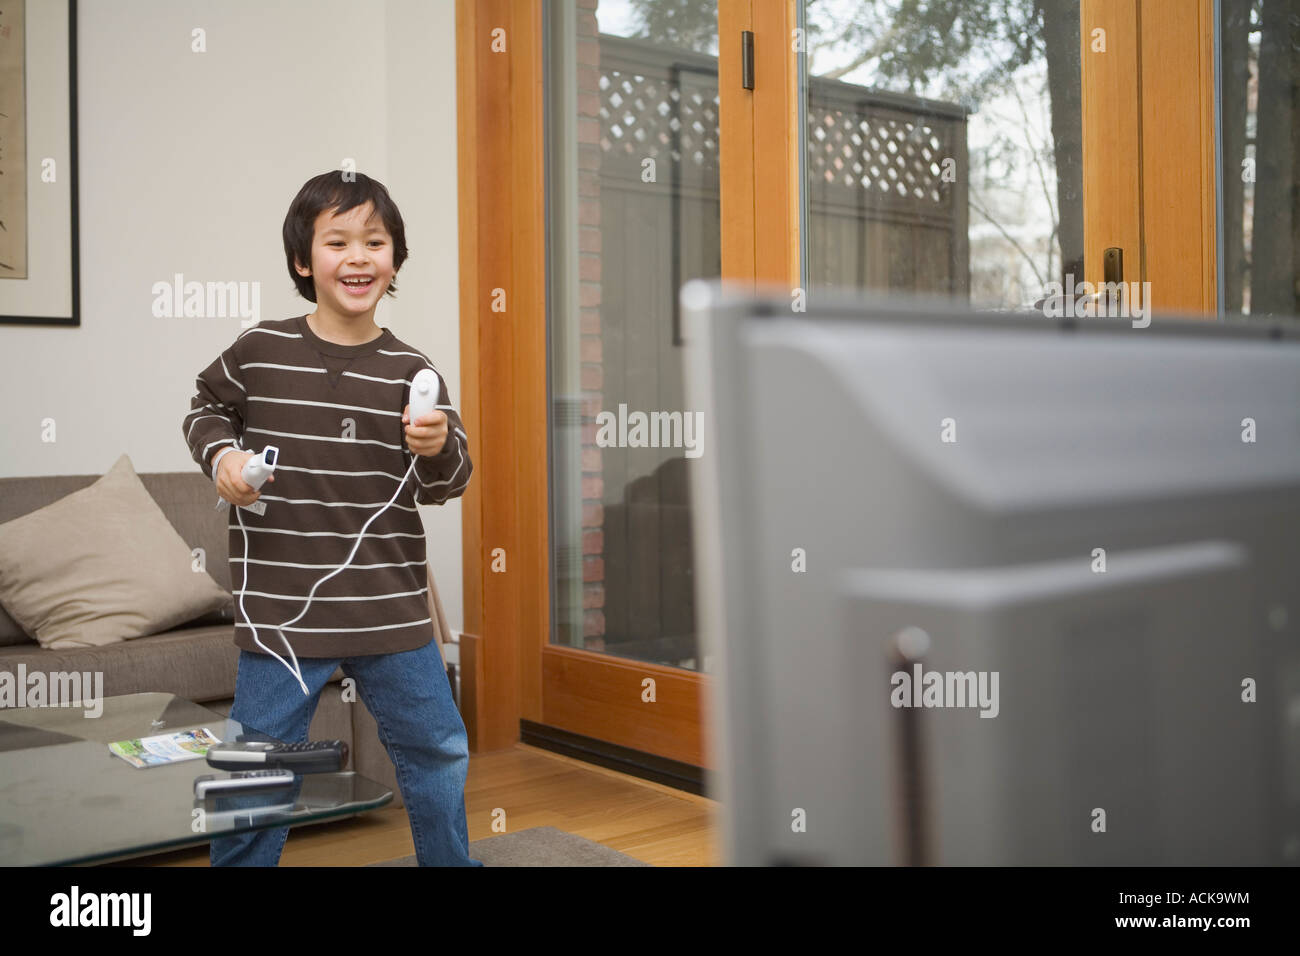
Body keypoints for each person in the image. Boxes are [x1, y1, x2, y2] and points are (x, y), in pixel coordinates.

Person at [182, 171, 480, 866]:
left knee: (438, 750)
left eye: (375, 242)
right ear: (301, 261)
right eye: (337, 241)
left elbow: (451, 479)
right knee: (253, 766)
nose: (358, 256)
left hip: (392, 612)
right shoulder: (259, 352)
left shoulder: (413, 369)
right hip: (284, 618)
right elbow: (203, 407)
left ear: (395, 261)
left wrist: (437, 447)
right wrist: (223, 455)